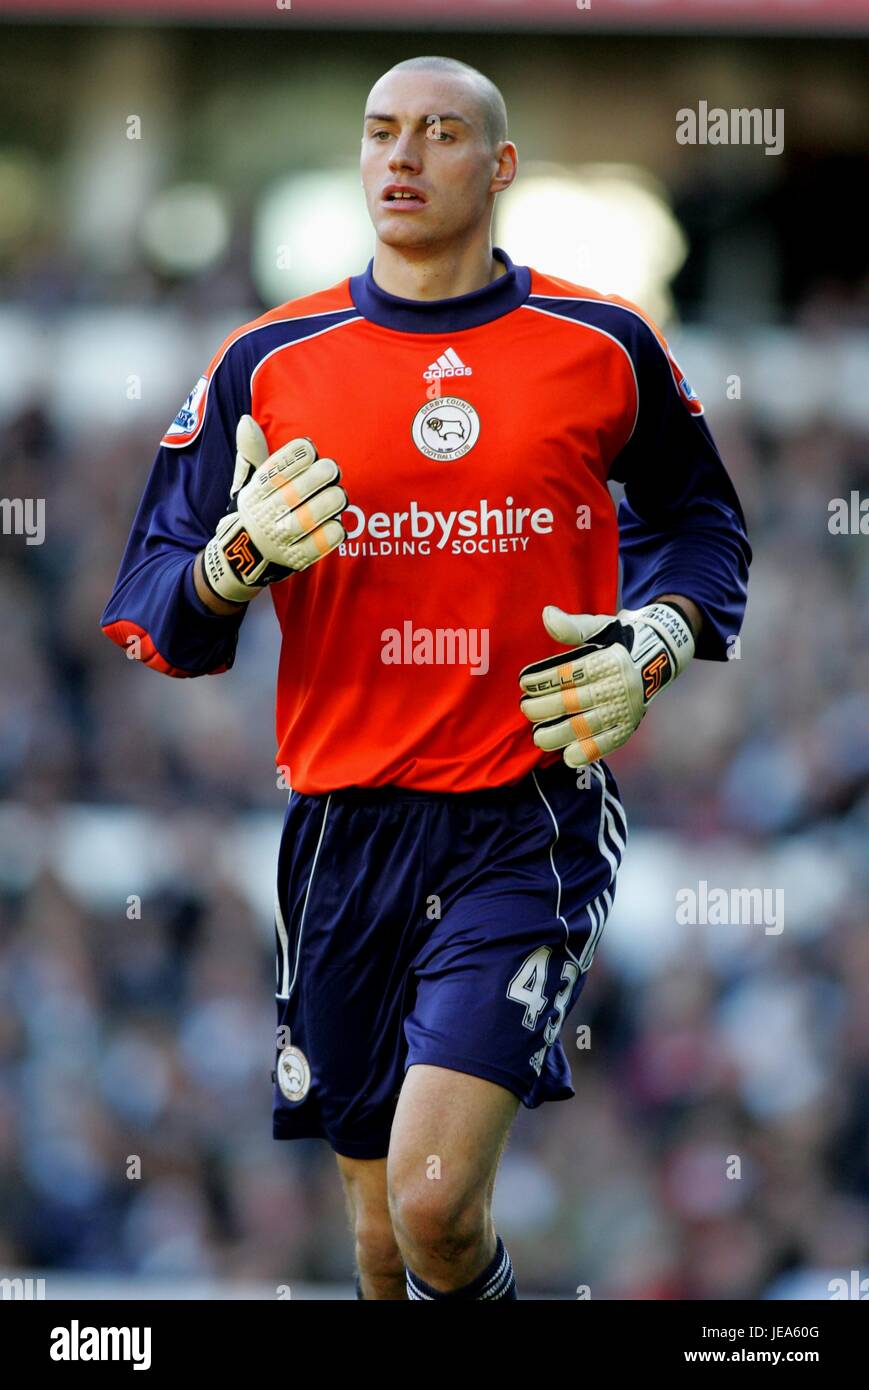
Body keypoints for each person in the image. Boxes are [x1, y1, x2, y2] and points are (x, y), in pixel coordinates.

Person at [101, 54, 751, 1301]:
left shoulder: (601, 340)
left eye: (438, 133)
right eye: (379, 132)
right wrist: (231, 564)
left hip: (527, 812)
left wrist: (655, 639)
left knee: (436, 1203)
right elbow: (152, 599)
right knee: (377, 1245)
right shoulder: (267, 358)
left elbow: (704, 528)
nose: (399, 157)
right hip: (341, 827)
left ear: (498, 167)